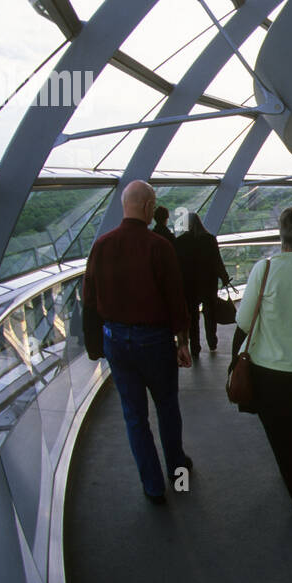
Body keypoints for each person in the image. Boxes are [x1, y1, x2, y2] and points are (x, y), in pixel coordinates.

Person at [82, 180, 192, 504]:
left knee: (134, 416)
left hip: (116, 340)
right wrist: (182, 341)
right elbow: (175, 300)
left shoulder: (100, 246)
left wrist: (96, 346)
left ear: (123, 205)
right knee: (167, 407)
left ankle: (153, 486)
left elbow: (89, 300)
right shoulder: (159, 247)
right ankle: (177, 471)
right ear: (147, 207)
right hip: (155, 342)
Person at [232, 207, 292, 525]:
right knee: (291, 426)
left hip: (269, 371)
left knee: (281, 436)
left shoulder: (266, 268)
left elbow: (245, 320)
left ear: (281, 234)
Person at [174, 212, 230, 358]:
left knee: (192, 316)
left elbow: (177, 266)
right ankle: (212, 342)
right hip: (208, 282)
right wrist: (224, 277)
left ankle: (195, 347)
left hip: (189, 284)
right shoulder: (209, 239)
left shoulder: (180, 242)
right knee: (210, 313)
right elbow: (217, 261)